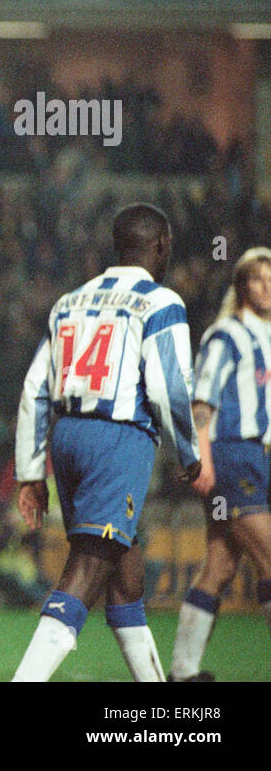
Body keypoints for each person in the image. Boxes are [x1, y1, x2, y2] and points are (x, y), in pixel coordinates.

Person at [12, 204, 200, 681]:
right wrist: (189, 451)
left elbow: (36, 388)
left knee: (125, 581)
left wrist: (32, 474)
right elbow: (167, 387)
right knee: (88, 569)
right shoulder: (162, 303)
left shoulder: (68, 301)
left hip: (68, 437)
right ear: (162, 244)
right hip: (118, 441)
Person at [170, 246, 271, 680]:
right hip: (231, 456)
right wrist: (203, 459)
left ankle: (182, 671)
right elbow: (203, 399)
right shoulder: (226, 334)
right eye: (257, 279)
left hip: (256, 456)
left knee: (221, 566)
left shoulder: (266, 338)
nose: (266, 288)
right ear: (241, 286)